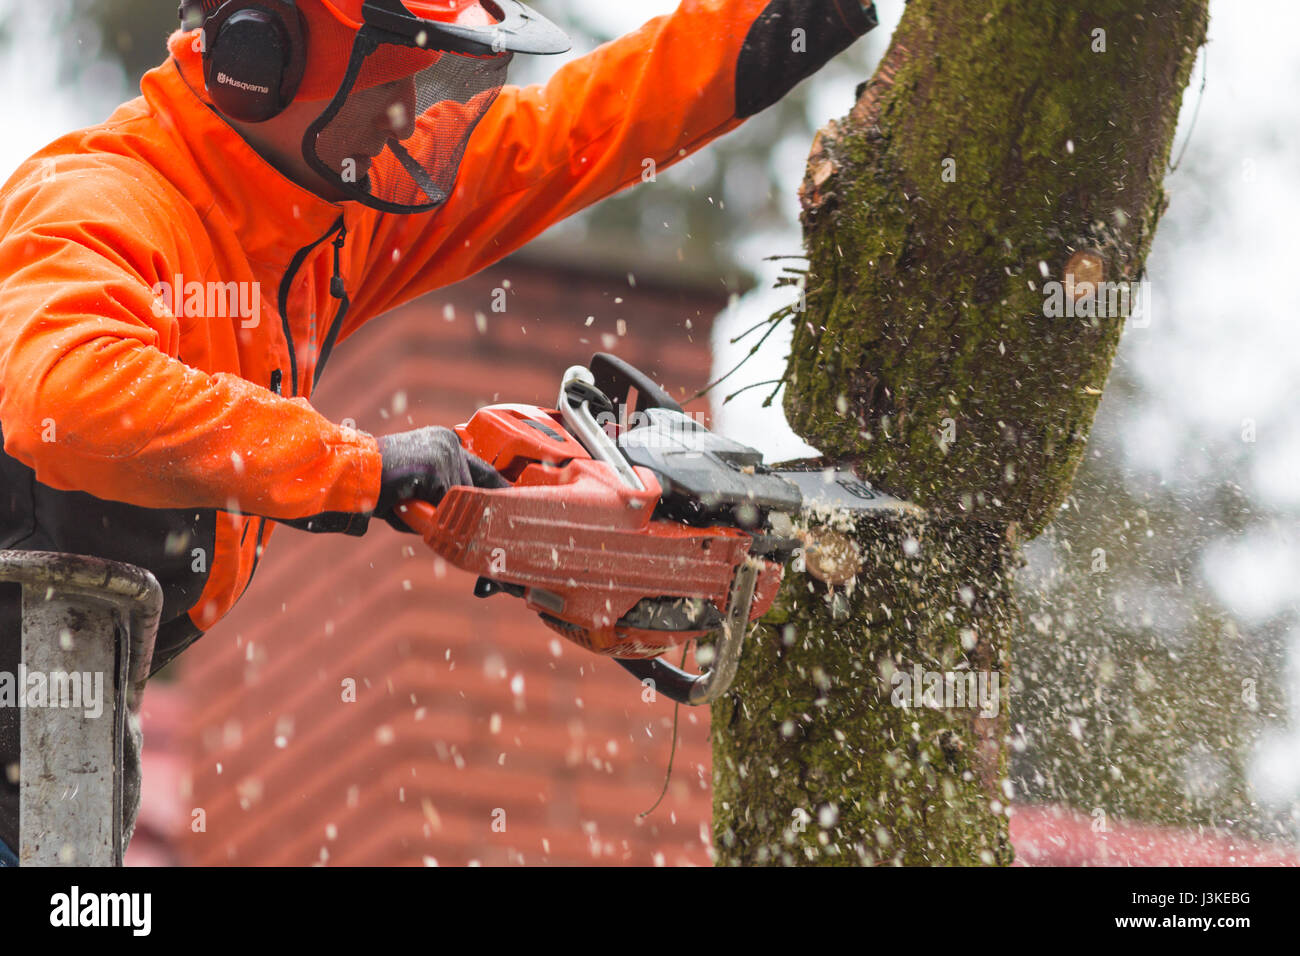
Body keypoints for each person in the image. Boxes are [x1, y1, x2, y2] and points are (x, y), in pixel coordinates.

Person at [0, 0, 879, 863]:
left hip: (52, 767)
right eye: (387, 76)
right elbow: (69, 393)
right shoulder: (100, 203)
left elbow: (579, 130)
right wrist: (364, 468)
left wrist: (803, 13)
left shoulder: (315, 216)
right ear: (259, 54)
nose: (406, 114)